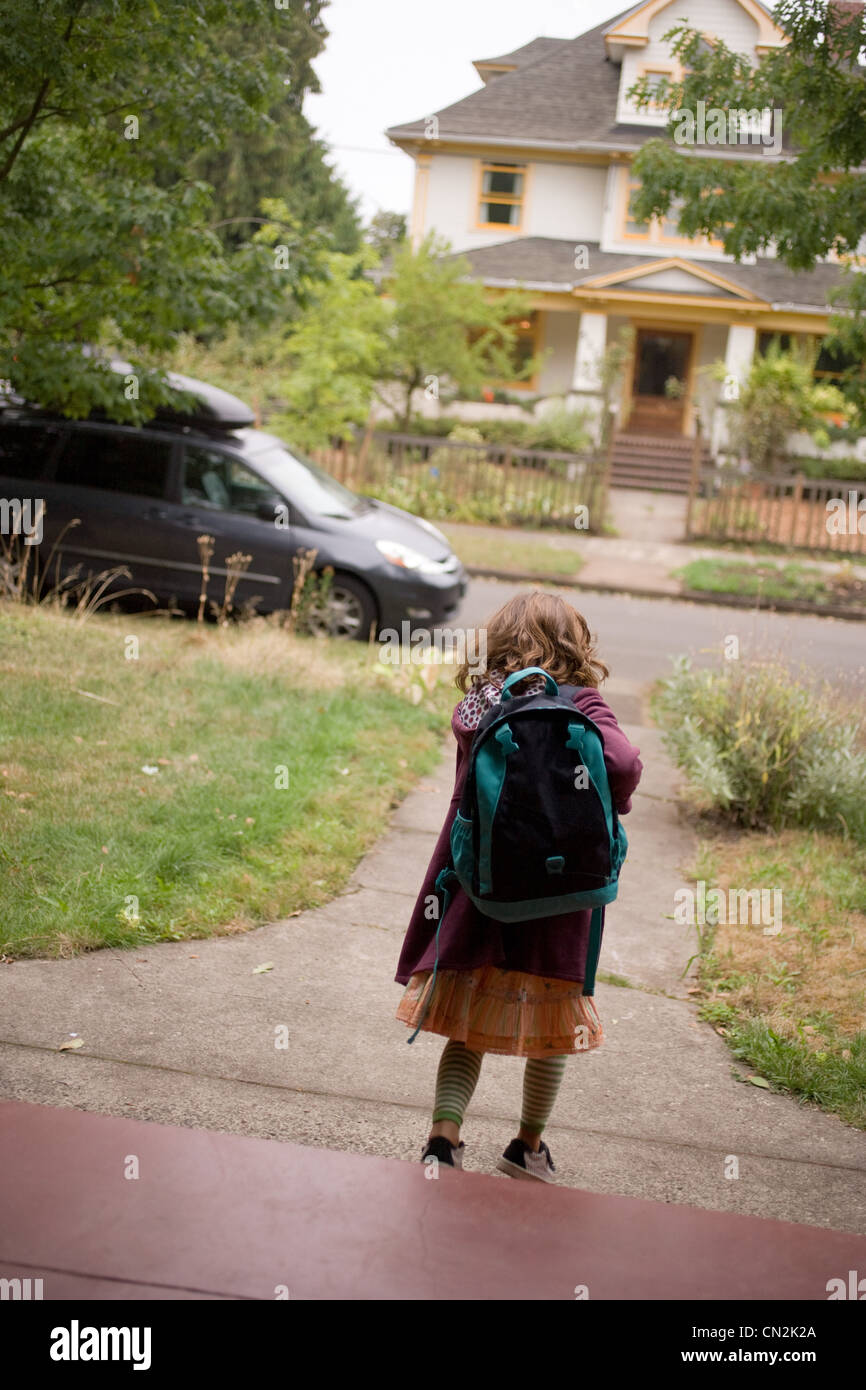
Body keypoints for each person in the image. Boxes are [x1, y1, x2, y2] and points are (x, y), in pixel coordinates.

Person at [394, 591, 643, 1182]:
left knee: (467, 1021)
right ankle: (527, 1148)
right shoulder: (583, 702)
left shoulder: (478, 704)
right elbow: (624, 765)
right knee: (555, 1022)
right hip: (562, 888)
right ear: (575, 644)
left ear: (497, 642)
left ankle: (443, 1141)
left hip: (483, 882)